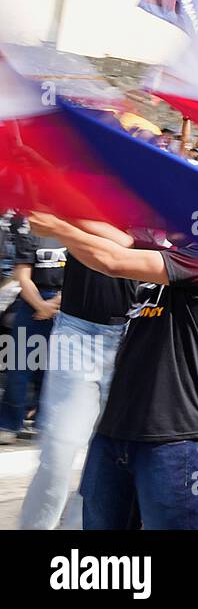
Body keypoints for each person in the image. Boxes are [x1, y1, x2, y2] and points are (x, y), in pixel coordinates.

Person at [25, 213, 198, 530]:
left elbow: (113, 260)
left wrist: (58, 228)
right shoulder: (171, 255)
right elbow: (117, 240)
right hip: (114, 434)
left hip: (168, 441)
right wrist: (60, 210)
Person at [19, 222, 135, 528]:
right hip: (78, 332)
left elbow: (128, 243)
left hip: (132, 336)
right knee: (58, 448)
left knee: (105, 458)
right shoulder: (85, 188)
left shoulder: (153, 191)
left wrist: (63, 222)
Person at [0, 215, 64, 444]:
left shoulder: (73, 235)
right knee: (18, 365)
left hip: (65, 304)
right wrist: (41, 305)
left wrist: (56, 303)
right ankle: (8, 423)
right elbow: (23, 276)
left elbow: (80, 275)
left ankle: (43, 421)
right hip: (32, 301)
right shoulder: (32, 233)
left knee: (53, 369)